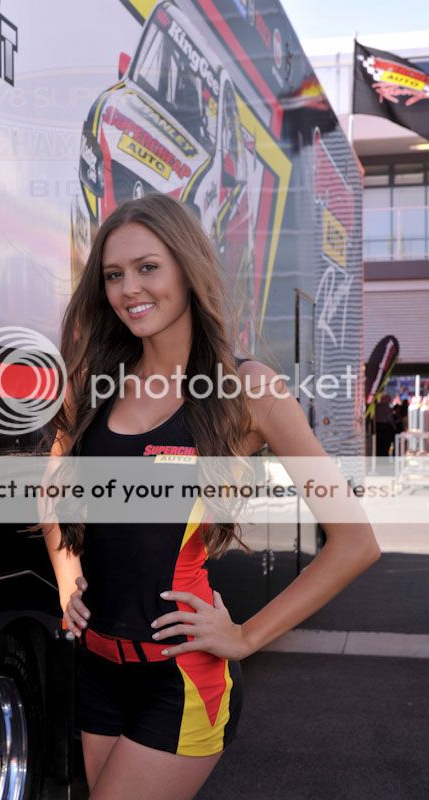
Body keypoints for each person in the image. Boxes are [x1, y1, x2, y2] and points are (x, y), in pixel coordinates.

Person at [43, 192, 381, 799]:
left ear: (186, 268)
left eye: (148, 267)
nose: (128, 289)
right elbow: (51, 489)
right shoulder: (92, 380)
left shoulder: (247, 388)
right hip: (95, 669)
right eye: (114, 275)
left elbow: (355, 542)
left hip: (183, 679)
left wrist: (246, 636)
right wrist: (69, 579)